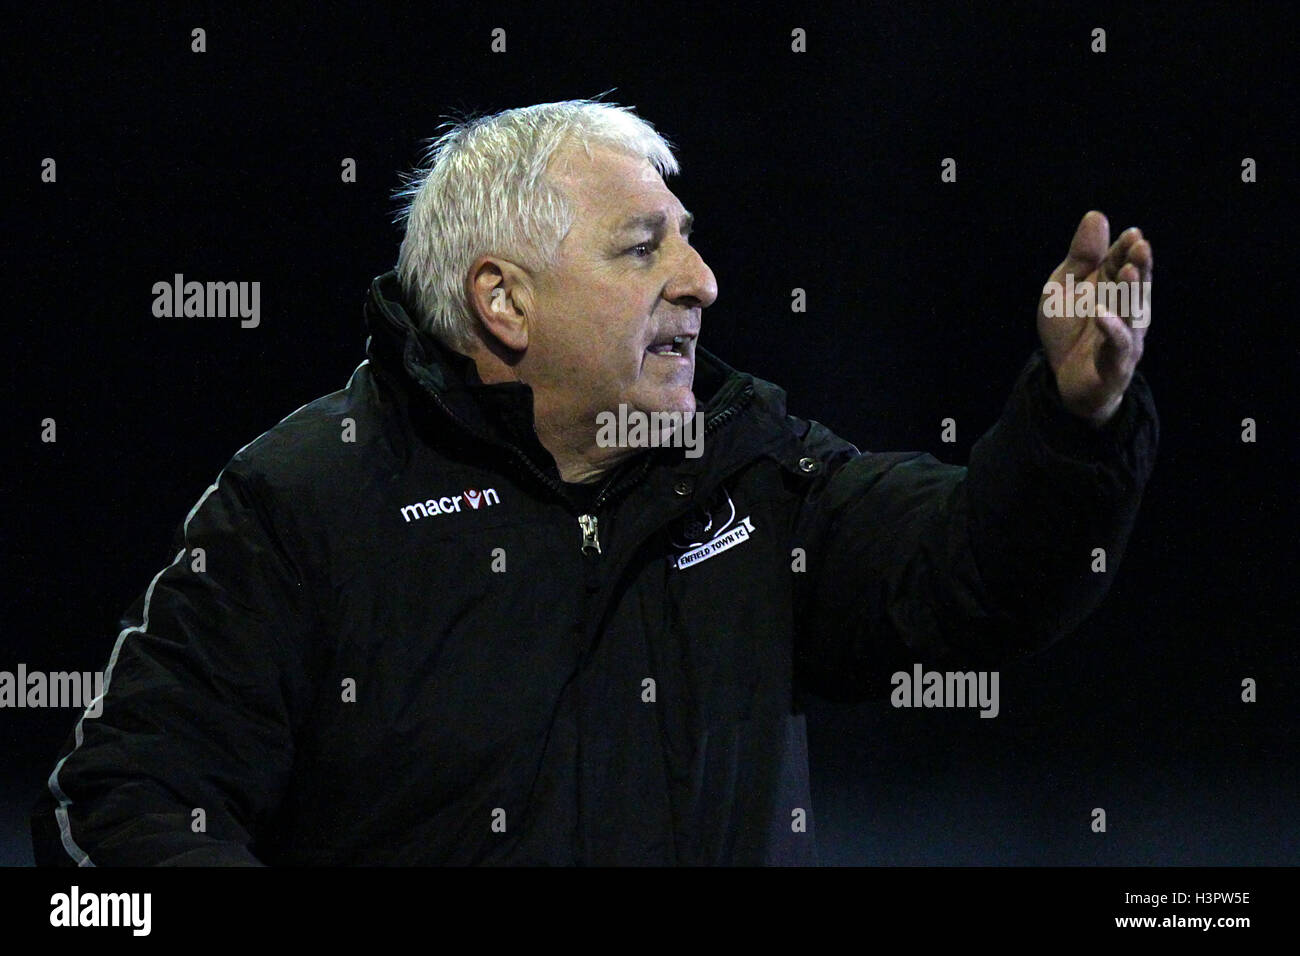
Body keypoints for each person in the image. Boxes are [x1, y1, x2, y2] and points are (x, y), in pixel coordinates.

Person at [32, 99, 1157, 865]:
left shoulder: (751, 469)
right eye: (642, 248)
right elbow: (115, 807)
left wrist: (1073, 419)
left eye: (690, 241)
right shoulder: (306, 501)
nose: (703, 281)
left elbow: (977, 574)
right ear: (503, 300)